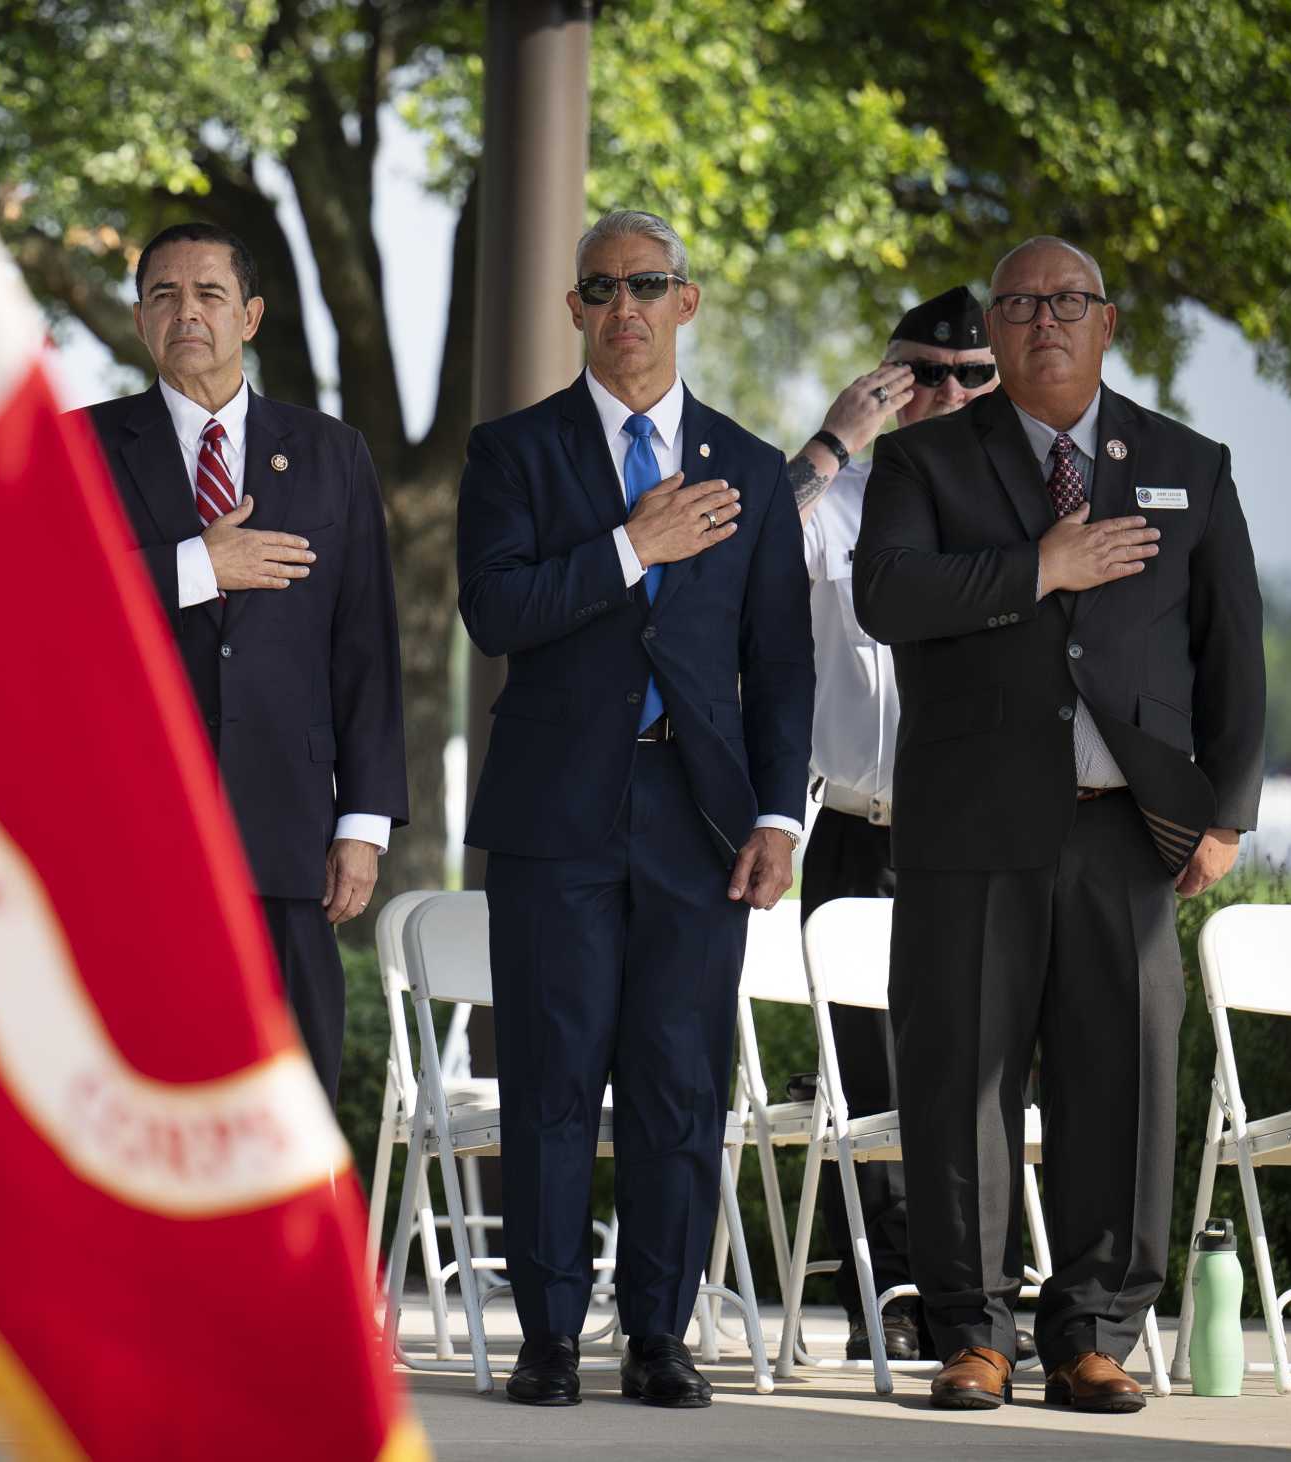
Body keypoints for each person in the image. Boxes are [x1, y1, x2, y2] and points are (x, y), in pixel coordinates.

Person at [854, 236, 1263, 1412]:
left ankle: (1092, 1331)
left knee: (1118, 1082)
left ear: (1108, 320)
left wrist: (1222, 816)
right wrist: (1033, 566)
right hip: (967, 825)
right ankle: (971, 1335)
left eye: (1068, 301)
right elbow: (886, 595)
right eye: (1022, 303)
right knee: (957, 1086)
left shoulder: (1188, 461)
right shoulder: (923, 461)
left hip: (1125, 831)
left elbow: (1229, 651)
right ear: (992, 325)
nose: (1045, 320)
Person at [457, 210, 813, 1407]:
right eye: (601, 288)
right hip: (554, 811)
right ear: (572, 310)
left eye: (646, 285)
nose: (624, 308)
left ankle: (658, 1335)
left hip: (699, 816)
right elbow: (494, 614)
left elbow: (782, 664)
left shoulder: (752, 471)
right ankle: (548, 1338)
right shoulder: (511, 453)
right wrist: (628, 543)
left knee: (676, 1083)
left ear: (686, 302)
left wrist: (780, 814)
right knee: (552, 1080)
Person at [73, 222, 407, 1104]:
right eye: (163, 296)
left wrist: (363, 827)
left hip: (289, 839)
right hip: (129, 839)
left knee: (292, 1109)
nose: (187, 313)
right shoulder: (77, 449)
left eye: (209, 294)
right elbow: (36, 610)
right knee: (144, 1104)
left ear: (251, 315)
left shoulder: (333, 453)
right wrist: (194, 568)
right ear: (141, 320)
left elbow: (366, 645)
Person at [787, 286, 1010, 1364]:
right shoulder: (837, 500)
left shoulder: (1016, 508)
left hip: (973, 828)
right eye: (924, 371)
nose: (949, 393)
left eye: (974, 376)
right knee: (862, 1084)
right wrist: (836, 437)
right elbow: (746, 549)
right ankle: (890, 1296)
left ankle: (983, 1294)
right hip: (854, 827)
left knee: (975, 1067)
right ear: (885, 376)